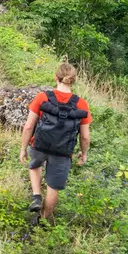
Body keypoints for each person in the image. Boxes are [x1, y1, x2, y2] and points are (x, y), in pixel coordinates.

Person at [18, 61, 91, 221]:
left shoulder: (43, 97)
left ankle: (36, 196)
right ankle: (43, 218)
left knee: (34, 165)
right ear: (74, 80)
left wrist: (23, 148)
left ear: (55, 77)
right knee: (53, 187)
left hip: (39, 144)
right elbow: (85, 136)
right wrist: (84, 154)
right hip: (63, 151)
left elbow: (29, 125)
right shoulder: (81, 104)